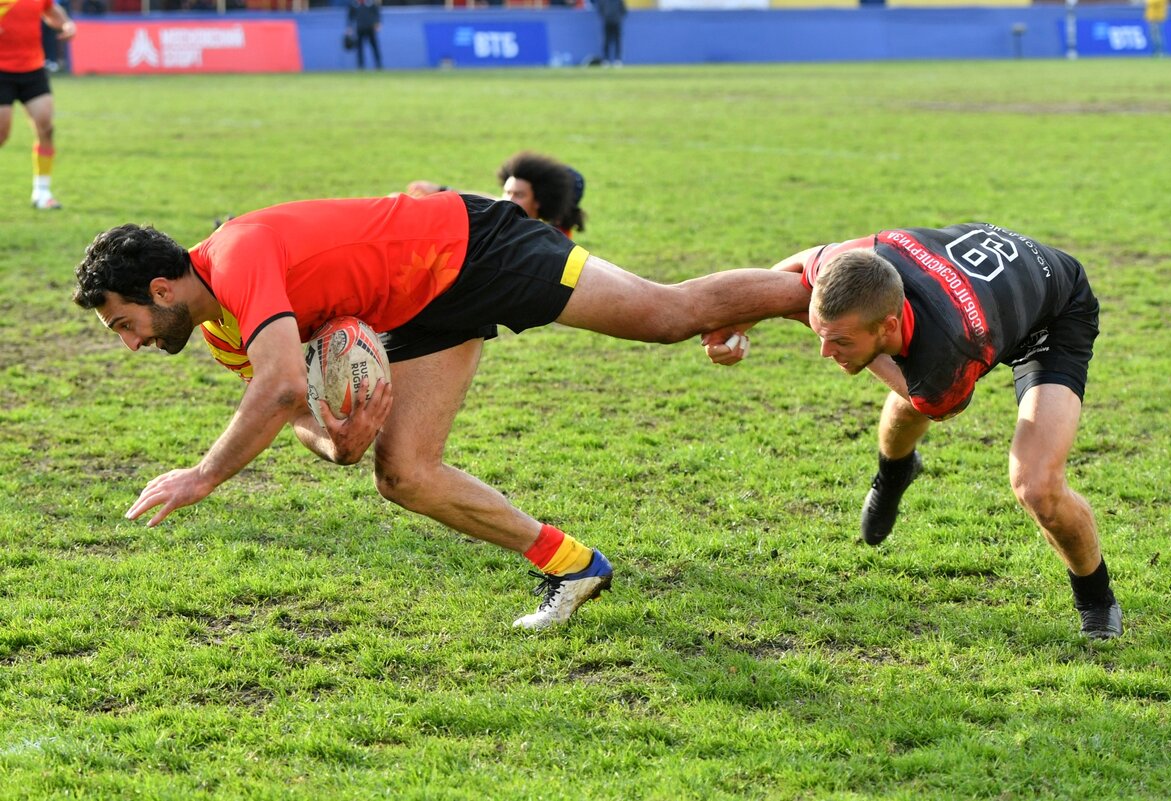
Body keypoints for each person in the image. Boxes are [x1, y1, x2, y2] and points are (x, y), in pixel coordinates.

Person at [72, 192, 810, 630]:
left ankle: (827, 279)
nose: (131, 344)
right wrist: (339, 442)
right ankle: (575, 567)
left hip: (470, 246)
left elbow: (280, 389)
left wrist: (201, 475)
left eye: (122, 324)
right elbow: (292, 405)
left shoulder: (237, 255)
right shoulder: (218, 330)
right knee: (404, 474)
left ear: (161, 289)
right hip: (414, 309)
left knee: (667, 315)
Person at [705, 223, 1123, 640]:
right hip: (974, 286)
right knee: (908, 395)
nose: (825, 353)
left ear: (887, 324)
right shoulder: (863, 260)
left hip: (1055, 311)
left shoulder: (948, 358)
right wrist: (742, 323)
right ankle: (895, 472)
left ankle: (1096, 598)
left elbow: (937, 404)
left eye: (841, 341)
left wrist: (857, 354)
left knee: (1036, 487)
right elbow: (798, 265)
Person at [406, 151, 587, 239]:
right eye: (507, 192)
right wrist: (441, 189)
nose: (508, 200)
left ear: (540, 199)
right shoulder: (520, 215)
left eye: (519, 195)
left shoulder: (545, 239)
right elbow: (489, 199)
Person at [0, 0, 75, 210]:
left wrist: (66, 24)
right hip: (1, 72)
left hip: (33, 70)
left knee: (46, 128)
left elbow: (50, 9)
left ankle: (42, 193)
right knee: (1, 134)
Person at [345, 0, 381, 70]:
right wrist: (349, 27)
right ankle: (360, 66)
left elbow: (376, 13)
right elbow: (350, 16)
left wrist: (377, 23)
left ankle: (378, 65)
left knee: (374, 47)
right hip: (360, 28)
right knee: (359, 48)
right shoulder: (354, 4)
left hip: (370, 28)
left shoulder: (370, 3)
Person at [594, 0, 627, 67]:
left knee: (617, 41)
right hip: (607, 22)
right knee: (606, 41)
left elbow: (624, 10)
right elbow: (600, 10)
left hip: (616, 22)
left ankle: (618, 60)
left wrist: (618, 18)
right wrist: (605, 17)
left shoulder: (619, 1)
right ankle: (606, 60)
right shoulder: (604, 1)